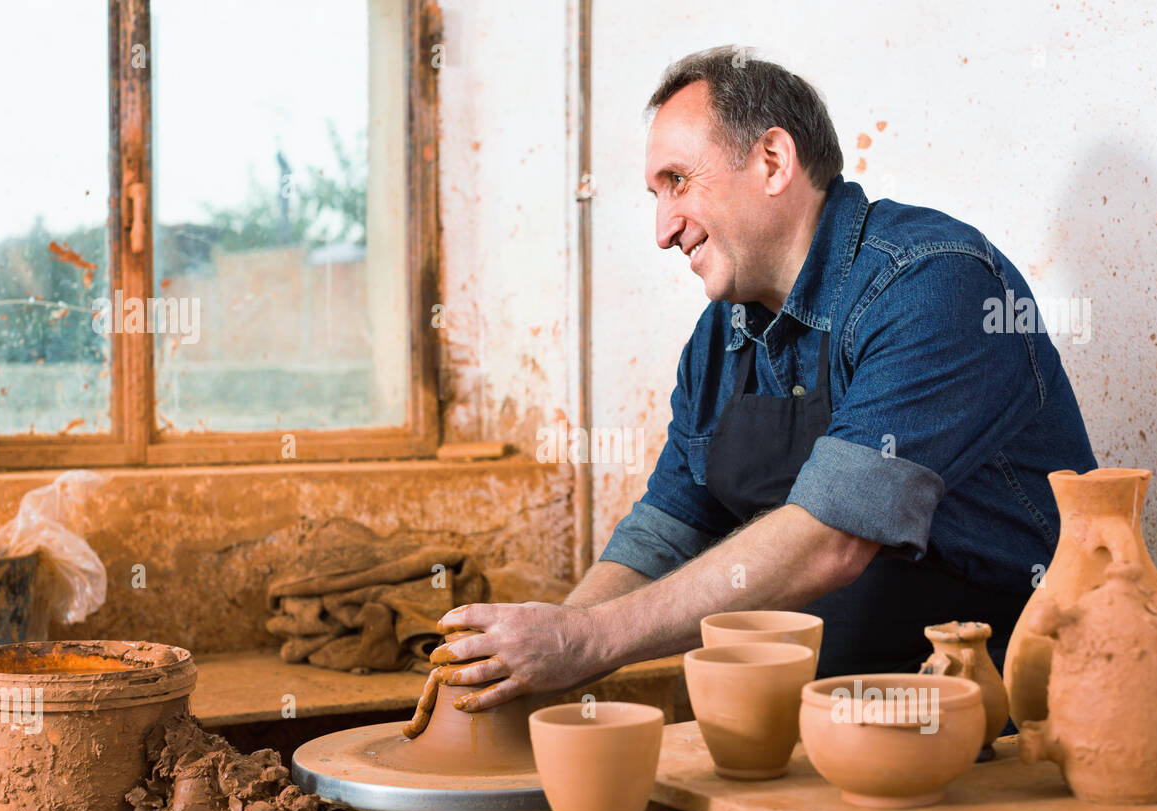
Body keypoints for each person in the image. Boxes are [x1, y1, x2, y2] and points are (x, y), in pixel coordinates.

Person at [437, 45, 1097, 712]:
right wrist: (533, 655)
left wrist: (588, 642)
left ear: (773, 162)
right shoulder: (720, 337)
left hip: (1000, 722)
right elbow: (667, 533)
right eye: (655, 194)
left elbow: (831, 541)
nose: (663, 230)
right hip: (811, 721)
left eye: (678, 181)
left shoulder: (932, 284)